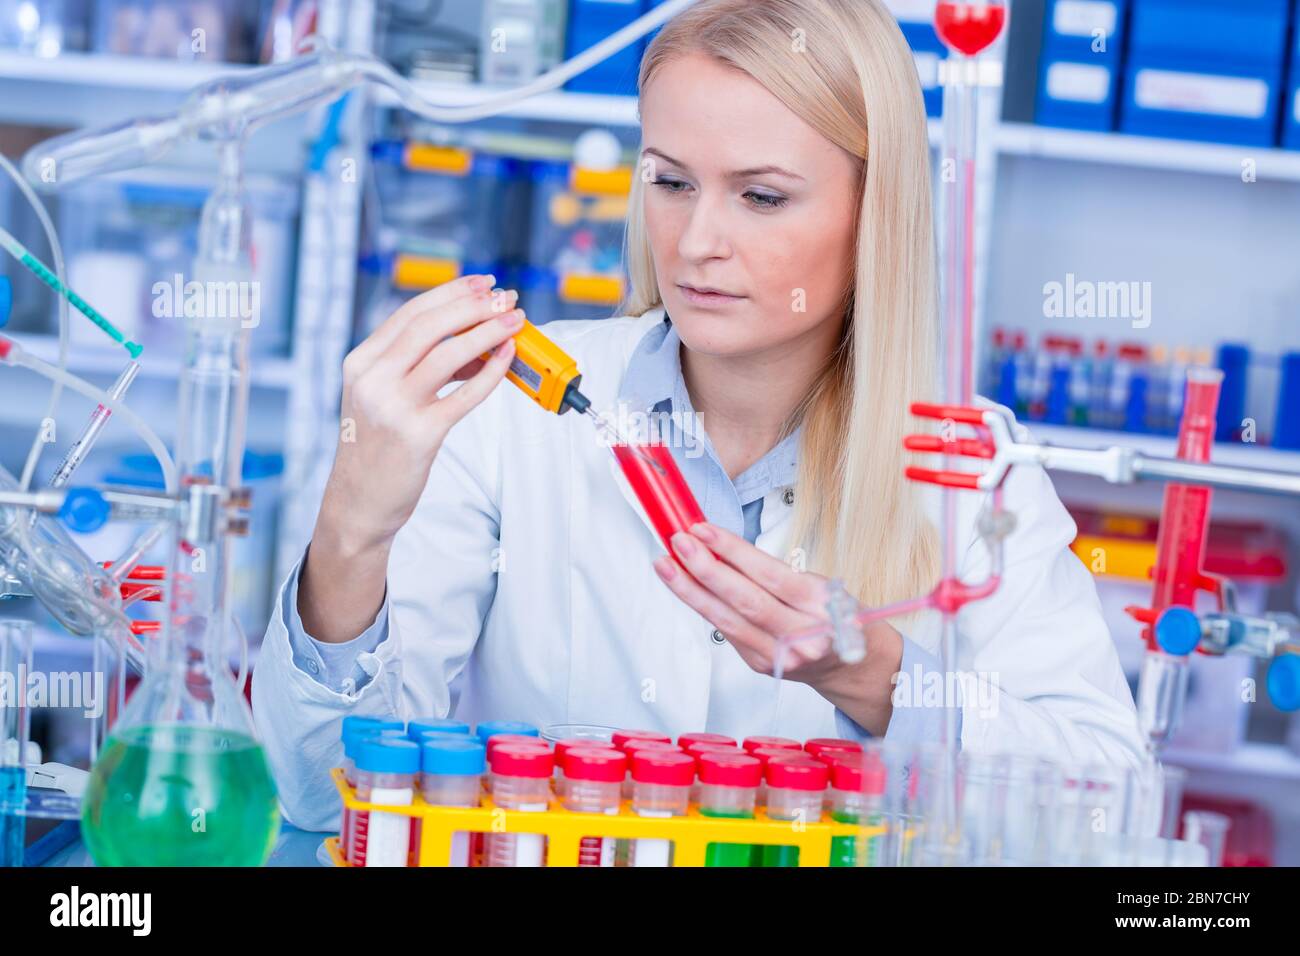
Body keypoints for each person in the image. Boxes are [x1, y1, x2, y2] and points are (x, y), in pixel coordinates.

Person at [253, 0, 1144, 831]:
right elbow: (321, 797)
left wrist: (875, 675)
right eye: (672, 182)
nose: (698, 240)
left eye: (761, 196)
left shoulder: (965, 466)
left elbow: (1114, 812)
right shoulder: (514, 411)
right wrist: (350, 536)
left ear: (875, 214)